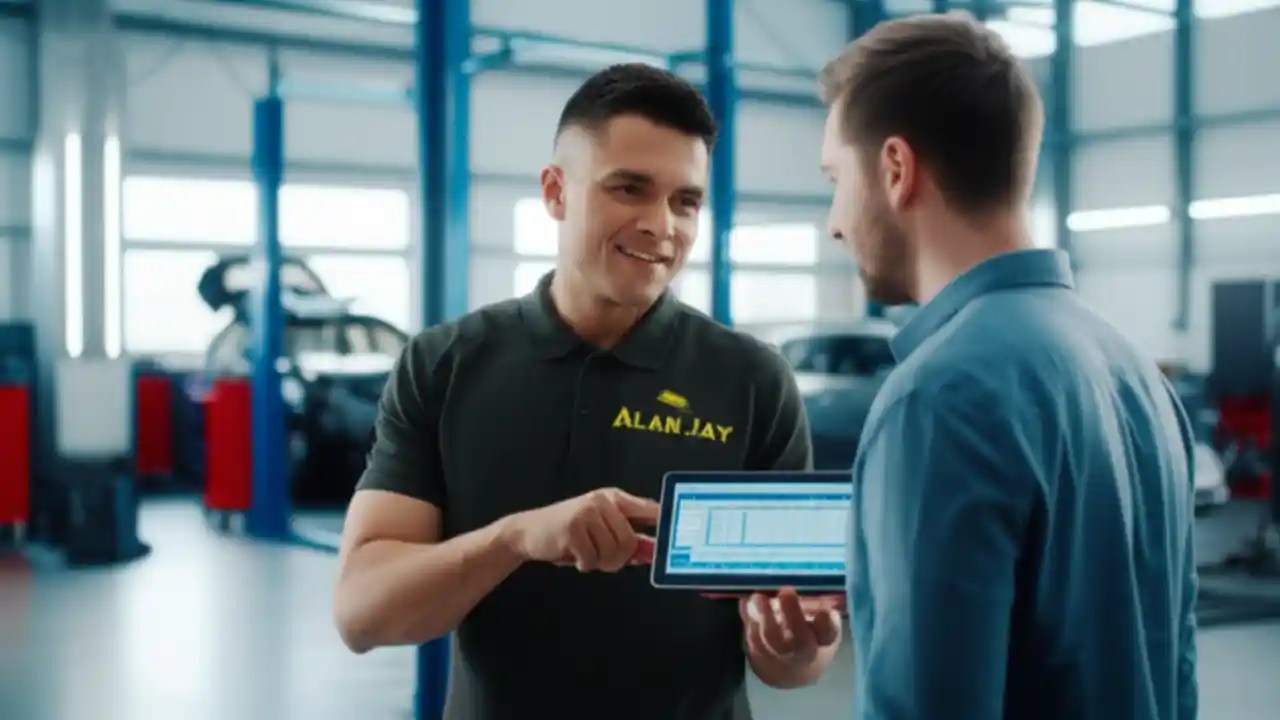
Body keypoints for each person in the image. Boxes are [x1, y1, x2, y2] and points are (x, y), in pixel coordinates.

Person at [333, 63, 842, 720]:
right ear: (555, 192)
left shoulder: (751, 379)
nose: (662, 225)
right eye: (629, 189)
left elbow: (792, 659)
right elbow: (361, 614)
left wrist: (796, 646)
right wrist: (514, 538)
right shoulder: (446, 364)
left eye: (685, 201)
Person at [816, 14, 1198, 720]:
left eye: (836, 179)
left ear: (896, 169)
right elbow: (1172, 667)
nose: (834, 222)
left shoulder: (937, 399)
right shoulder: (1136, 372)